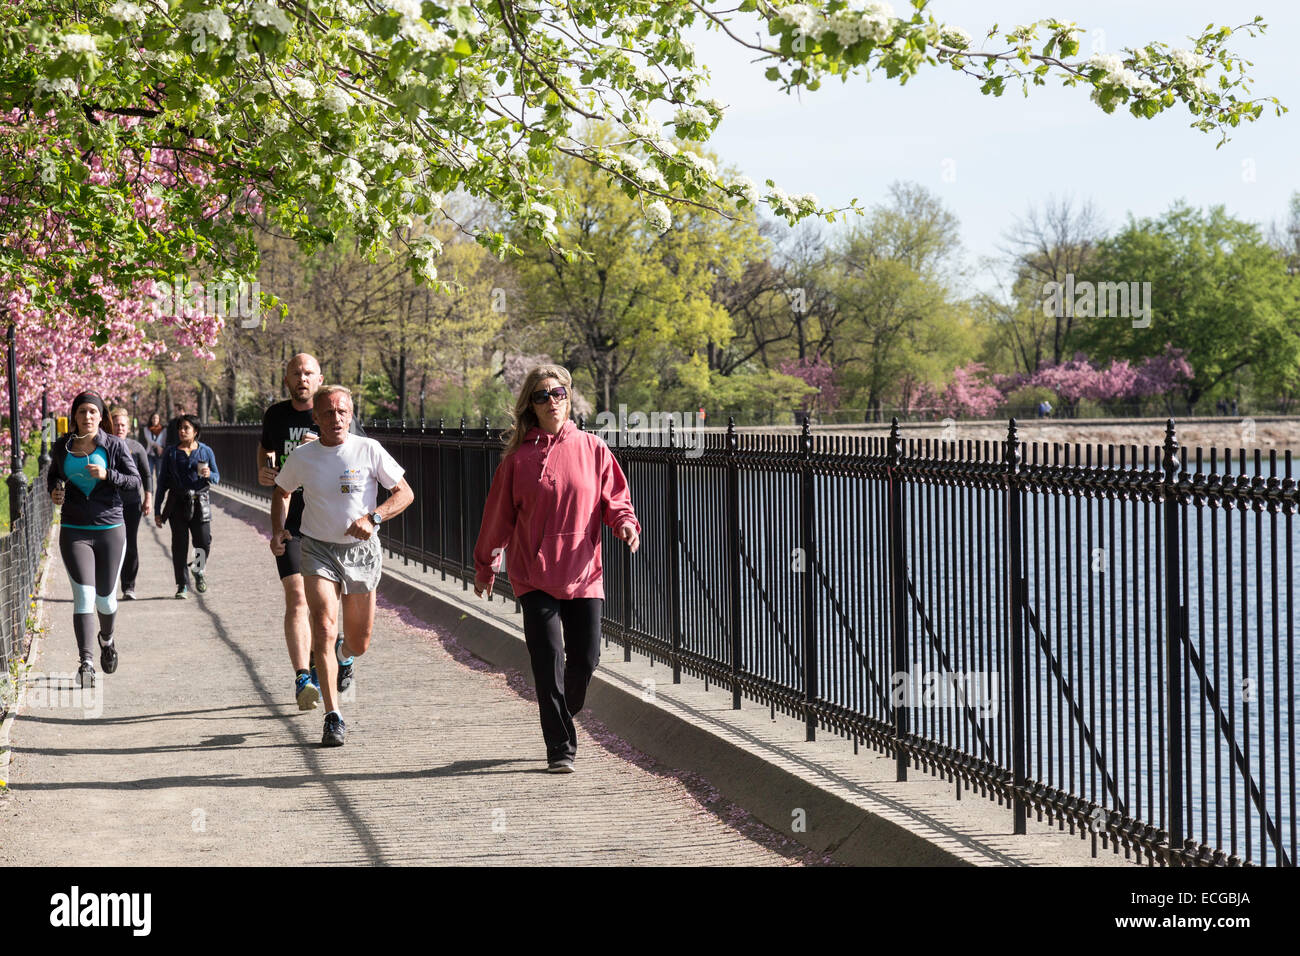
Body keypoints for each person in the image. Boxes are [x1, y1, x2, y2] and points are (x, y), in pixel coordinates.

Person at [472, 365, 641, 773]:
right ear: (531, 405)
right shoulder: (517, 459)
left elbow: (614, 498)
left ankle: (562, 714)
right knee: (548, 659)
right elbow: (499, 517)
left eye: (559, 393)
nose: (552, 401)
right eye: (543, 395)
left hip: (584, 572)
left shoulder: (593, 448)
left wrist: (625, 523)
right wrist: (486, 563)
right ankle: (560, 747)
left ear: (569, 398)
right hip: (533, 574)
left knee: (585, 659)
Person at [270, 385, 413, 747]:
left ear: (351, 415)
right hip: (318, 549)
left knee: (360, 641)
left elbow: (404, 493)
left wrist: (374, 518)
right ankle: (333, 715)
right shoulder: (303, 455)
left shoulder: (368, 450)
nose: (336, 418)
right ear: (315, 418)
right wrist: (278, 531)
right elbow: (282, 491)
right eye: (328, 413)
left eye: (342, 412)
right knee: (323, 625)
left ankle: (344, 657)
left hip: (361, 551)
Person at [258, 353, 364, 711]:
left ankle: (336, 658)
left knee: (327, 613)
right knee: (297, 598)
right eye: (295, 373)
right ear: (286, 379)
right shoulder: (275, 415)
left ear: (320, 378)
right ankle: (303, 676)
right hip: (291, 522)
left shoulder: (335, 414)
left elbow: (358, 461)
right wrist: (264, 469)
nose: (302, 378)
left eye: (308, 373)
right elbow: (266, 450)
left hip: (329, 524)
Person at [46, 392, 141, 687]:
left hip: (110, 529)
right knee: (84, 597)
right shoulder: (62, 447)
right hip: (74, 528)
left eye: (93, 412)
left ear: (101, 417)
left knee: (106, 599)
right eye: (82, 411)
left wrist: (107, 474)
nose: (87, 416)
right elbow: (53, 476)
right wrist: (55, 491)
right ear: (74, 415)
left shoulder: (114, 445)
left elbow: (134, 482)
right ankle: (85, 662)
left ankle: (107, 639)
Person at [155, 414, 220, 598]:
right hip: (177, 504)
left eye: (186, 428)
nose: (182, 431)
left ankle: (198, 570)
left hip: (200, 503)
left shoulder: (205, 451)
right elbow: (162, 483)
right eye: (180, 428)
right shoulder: (171, 452)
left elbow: (217, 476)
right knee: (180, 546)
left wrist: (209, 474)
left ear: (195, 431)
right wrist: (158, 510)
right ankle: (182, 585)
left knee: (203, 542)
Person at [107, 407, 152, 600]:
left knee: (130, 542)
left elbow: (146, 474)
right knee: (109, 544)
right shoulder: (105, 445)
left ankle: (129, 586)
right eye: (116, 424)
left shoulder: (136, 447)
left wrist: (148, 497)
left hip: (132, 503)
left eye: (123, 425)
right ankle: (107, 586)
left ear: (128, 427)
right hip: (108, 503)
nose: (119, 428)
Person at [143, 412, 165, 487]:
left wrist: (160, 448)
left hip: (159, 455)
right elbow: (149, 440)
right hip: (149, 454)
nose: (155, 419)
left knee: (159, 474)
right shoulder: (146, 429)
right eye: (154, 418)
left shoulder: (163, 430)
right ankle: (150, 491)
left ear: (159, 419)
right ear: (151, 419)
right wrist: (158, 446)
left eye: (157, 418)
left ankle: (159, 491)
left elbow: (164, 441)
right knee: (149, 473)